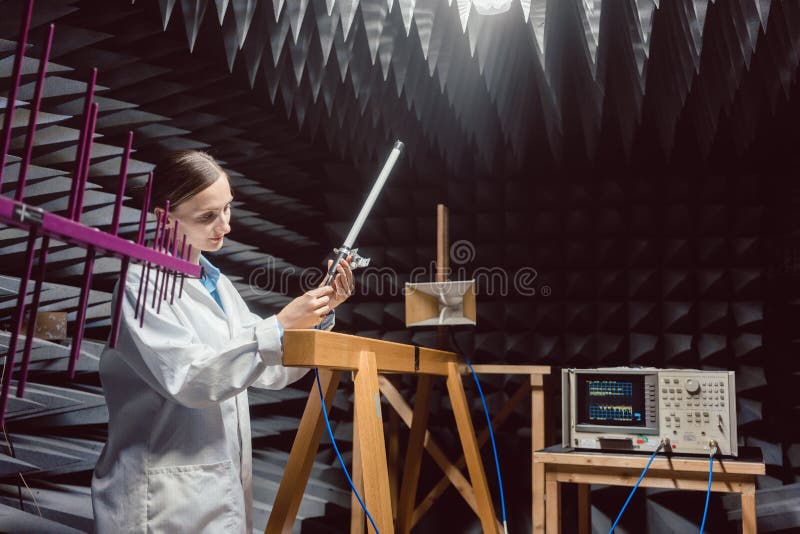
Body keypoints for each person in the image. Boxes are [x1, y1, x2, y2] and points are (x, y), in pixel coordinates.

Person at [91, 150, 354, 533]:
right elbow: (192, 378)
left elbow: (264, 369)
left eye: (227, 209)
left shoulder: (217, 284)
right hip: (163, 500)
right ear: (165, 217)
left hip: (216, 488)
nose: (225, 226)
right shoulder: (141, 286)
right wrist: (279, 324)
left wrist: (319, 313)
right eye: (207, 216)